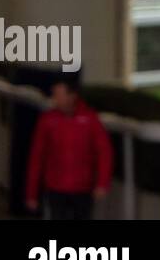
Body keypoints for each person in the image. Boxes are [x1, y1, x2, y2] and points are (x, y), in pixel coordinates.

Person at [24, 74, 113, 220]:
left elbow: (104, 152)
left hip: (83, 189)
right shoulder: (47, 120)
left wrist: (102, 183)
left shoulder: (90, 119)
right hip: (55, 188)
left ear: (72, 96)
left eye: (59, 95)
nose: (55, 99)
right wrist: (31, 194)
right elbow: (37, 157)